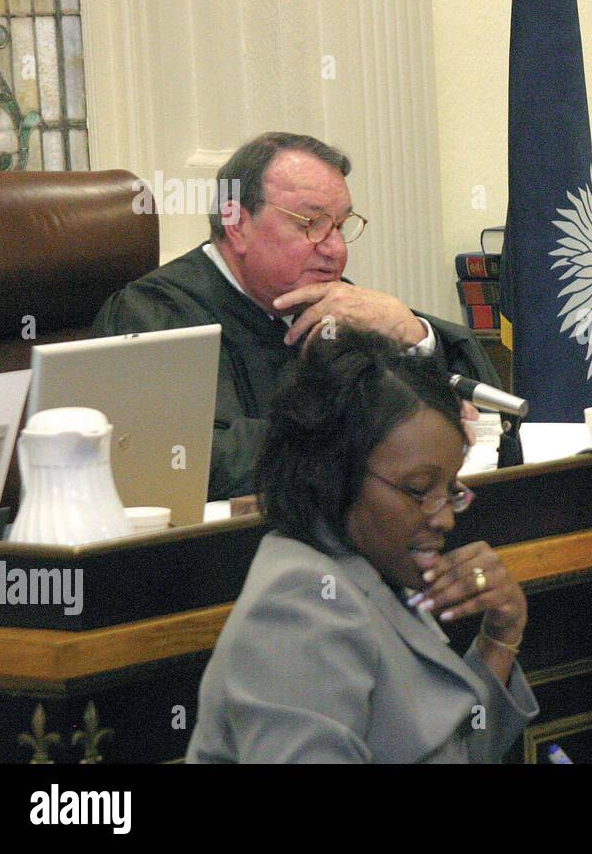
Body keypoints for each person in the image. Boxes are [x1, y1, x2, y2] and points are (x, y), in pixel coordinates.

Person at [94, 132, 517, 500]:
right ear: (237, 225)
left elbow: (486, 413)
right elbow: (196, 460)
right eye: (311, 224)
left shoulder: (340, 305)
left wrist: (411, 329)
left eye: (341, 225)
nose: (336, 249)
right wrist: (364, 434)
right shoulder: (154, 312)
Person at [186, 328, 537, 763]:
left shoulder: (367, 567)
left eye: (451, 490)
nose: (445, 518)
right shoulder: (300, 605)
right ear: (333, 473)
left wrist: (501, 637)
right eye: (418, 489)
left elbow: (452, 750)